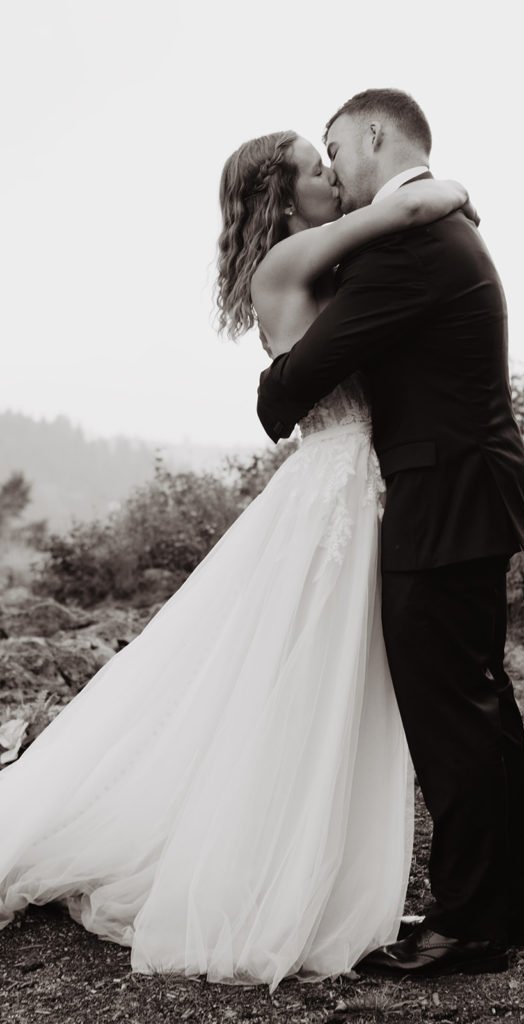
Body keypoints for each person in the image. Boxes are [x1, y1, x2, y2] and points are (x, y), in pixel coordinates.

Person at [0, 128, 473, 990]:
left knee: (332, 684)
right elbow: (413, 200)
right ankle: (275, 881)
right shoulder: (293, 256)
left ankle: (318, 874)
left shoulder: (306, 258)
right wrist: (454, 192)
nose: (333, 175)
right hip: (338, 487)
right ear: (285, 193)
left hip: (350, 486)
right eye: (315, 165)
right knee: (307, 686)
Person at [257, 89, 524, 977]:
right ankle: (494, 912)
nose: (334, 171)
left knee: (452, 713)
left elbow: (298, 380)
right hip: (463, 490)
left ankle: (468, 923)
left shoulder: (414, 242)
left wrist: (274, 383)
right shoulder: (429, 228)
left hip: (441, 498)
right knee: (477, 706)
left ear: (374, 134)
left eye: (336, 149)